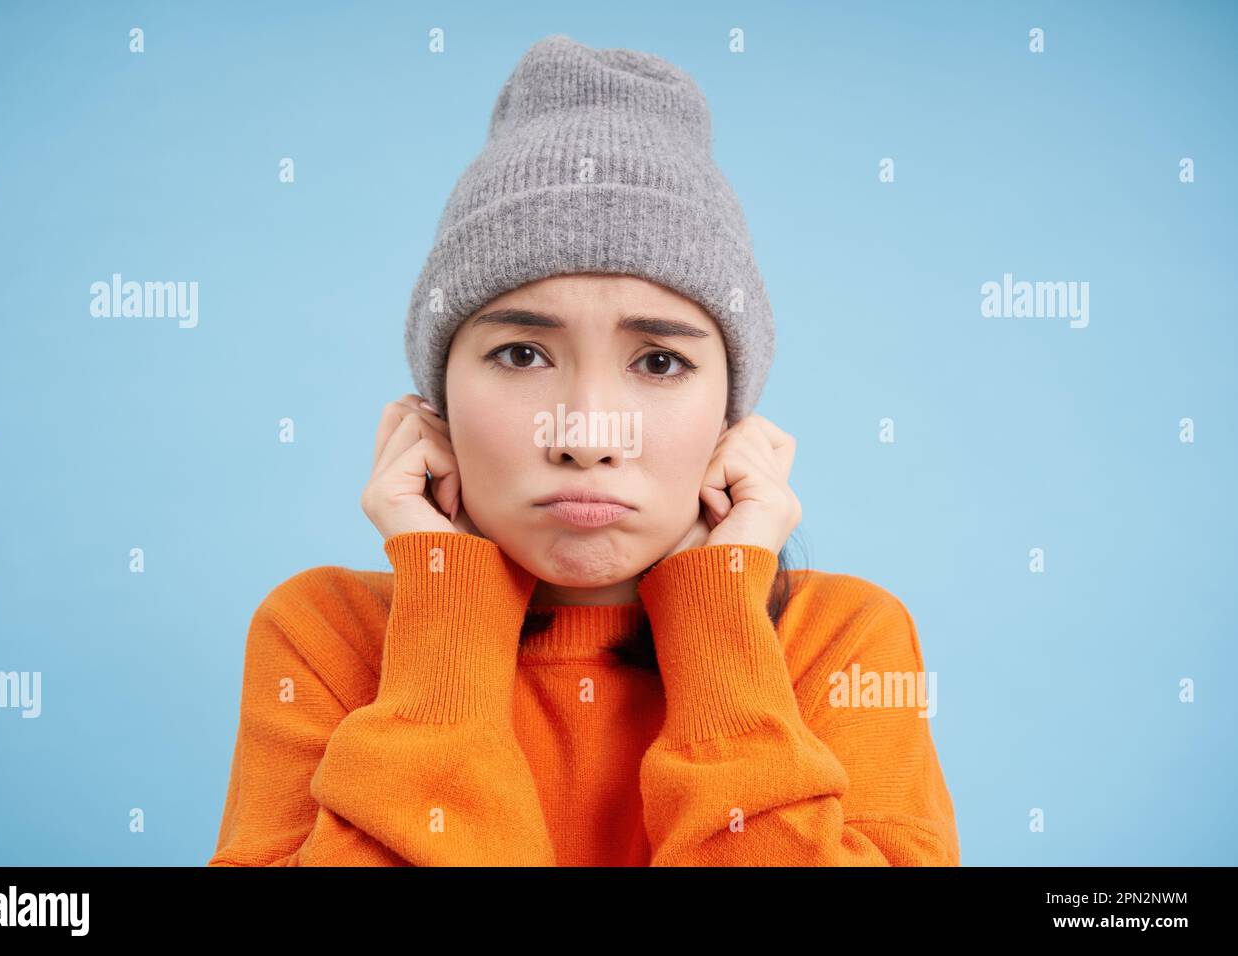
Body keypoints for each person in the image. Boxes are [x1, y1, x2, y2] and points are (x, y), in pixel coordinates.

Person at [207, 34, 959, 866]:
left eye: (660, 362)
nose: (588, 435)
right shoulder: (324, 637)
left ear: (732, 419)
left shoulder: (840, 640)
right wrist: (447, 624)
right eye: (522, 355)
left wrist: (717, 619)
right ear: (439, 404)